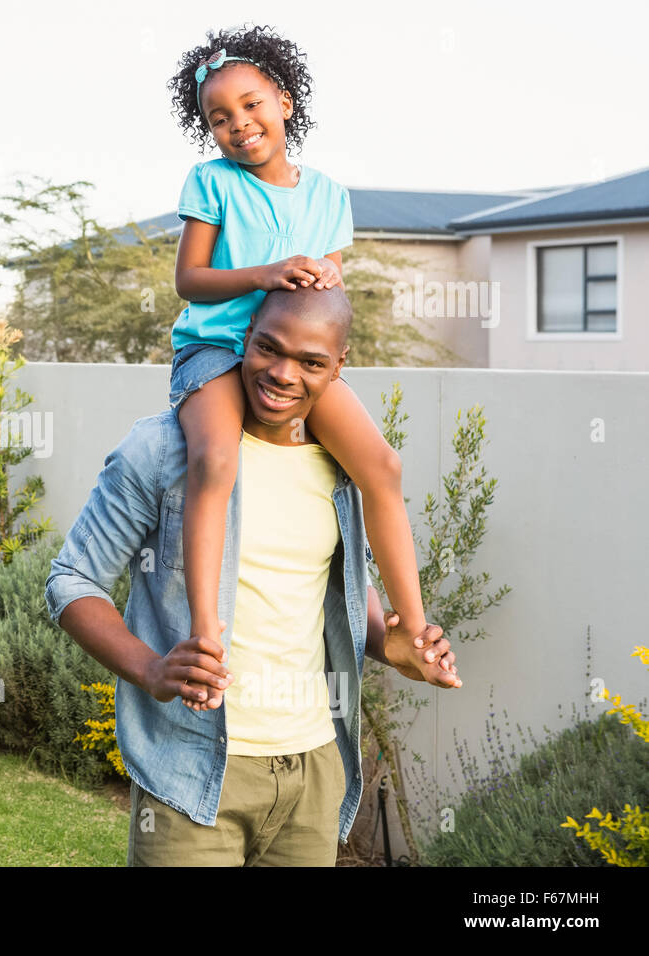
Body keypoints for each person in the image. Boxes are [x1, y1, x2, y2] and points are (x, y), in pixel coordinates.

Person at [46, 286, 462, 866]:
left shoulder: (343, 466)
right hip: (193, 773)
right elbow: (72, 580)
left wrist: (386, 642)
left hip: (313, 771)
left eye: (312, 362)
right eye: (269, 348)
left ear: (339, 367)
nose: (283, 374)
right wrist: (151, 669)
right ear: (244, 339)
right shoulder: (163, 448)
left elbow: (334, 582)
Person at [163, 25, 429, 713]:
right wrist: (267, 272)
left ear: (283, 100)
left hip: (291, 360)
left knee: (382, 466)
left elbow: (330, 290)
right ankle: (204, 634)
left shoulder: (329, 195)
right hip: (220, 351)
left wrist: (321, 292)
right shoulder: (210, 182)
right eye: (218, 118)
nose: (238, 125)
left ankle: (411, 623)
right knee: (215, 461)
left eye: (251, 105)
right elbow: (190, 280)